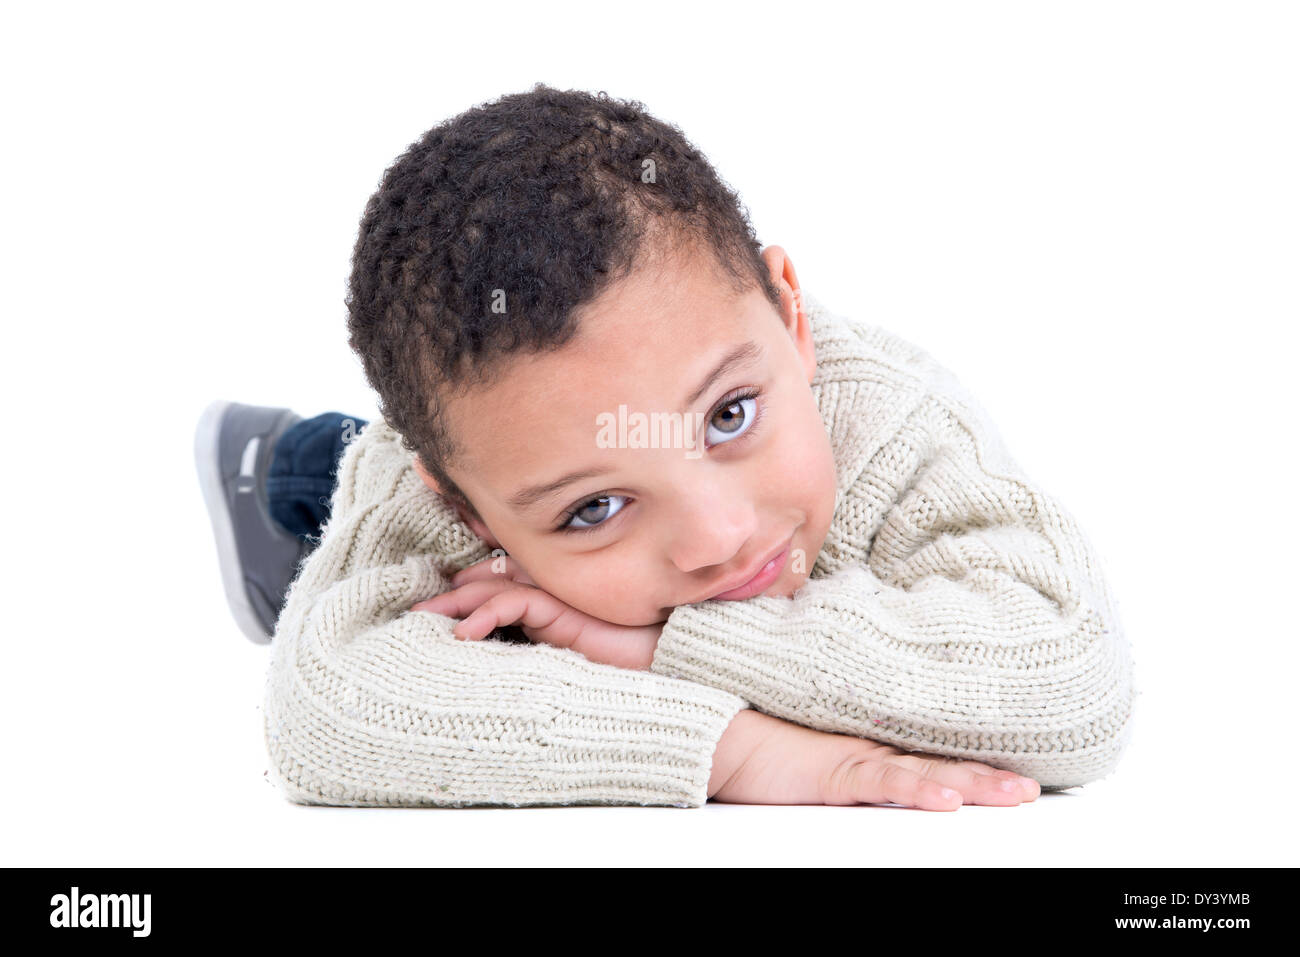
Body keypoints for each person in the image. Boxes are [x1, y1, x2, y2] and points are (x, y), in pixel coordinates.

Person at [198, 84, 1137, 810]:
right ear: (465, 507)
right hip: (381, 471)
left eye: (729, 415)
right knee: (340, 486)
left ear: (789, 317)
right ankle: (284, 466)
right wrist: (741, 748)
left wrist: (666, 643)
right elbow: (326, 712)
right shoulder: (442, 488)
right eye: (594, 508)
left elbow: (1071, 684)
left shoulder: (894, 417)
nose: (718, 538)